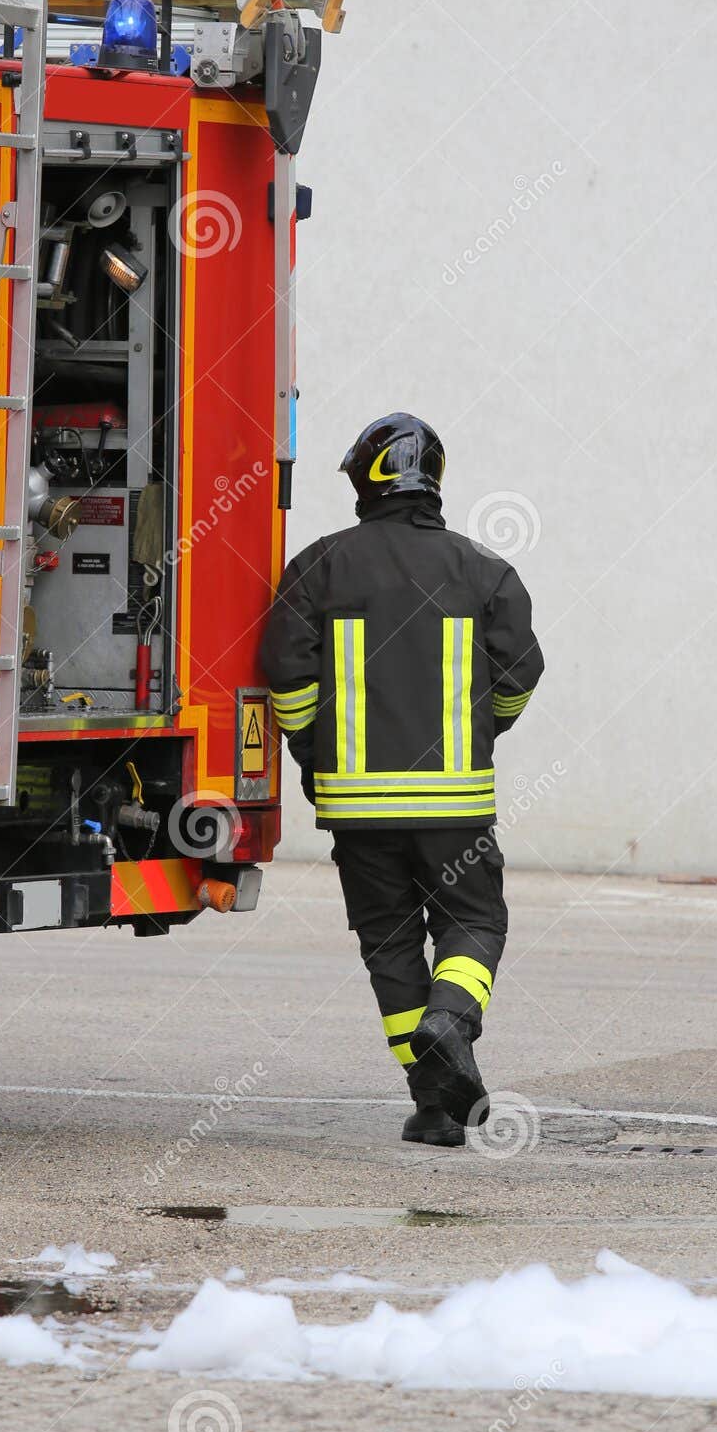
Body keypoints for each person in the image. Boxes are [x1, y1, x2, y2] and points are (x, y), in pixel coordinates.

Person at [260, 414, 544, 1147]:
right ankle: (450, 1021)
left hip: (356, 809)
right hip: (455, 806)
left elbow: (286, 677)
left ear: (364, 479)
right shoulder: (487, 572)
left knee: (388, 943)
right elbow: (520, 676)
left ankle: (435, 1105)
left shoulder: (319, 566)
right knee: (473, 923)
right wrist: (482, 732)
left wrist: (316, 757)